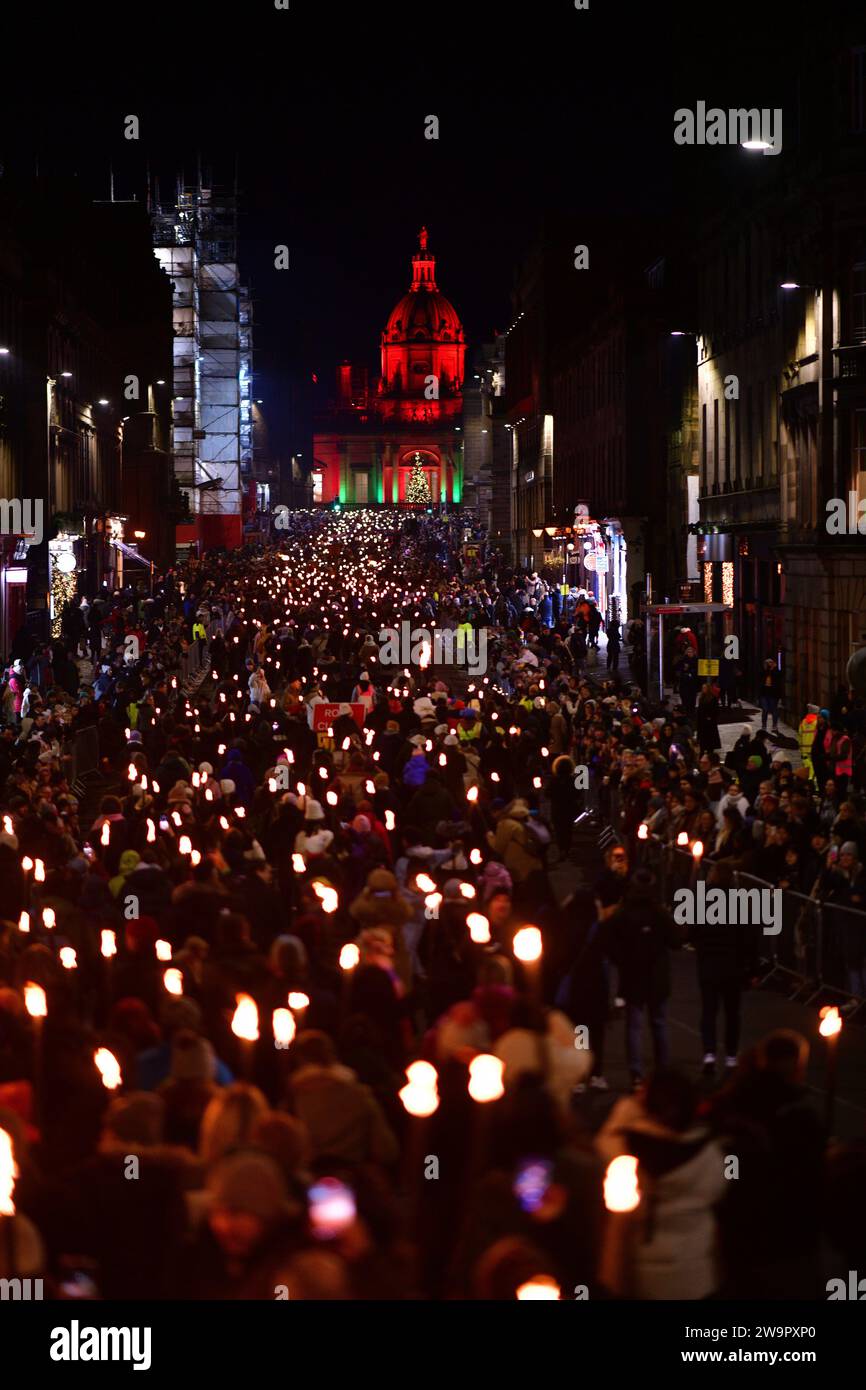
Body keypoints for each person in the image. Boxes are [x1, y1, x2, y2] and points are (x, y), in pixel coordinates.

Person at [601, 869, 685, 1087]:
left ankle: (636, 1074)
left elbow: (608, 941)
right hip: (657, 977)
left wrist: (621, 961)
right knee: (658, 1024)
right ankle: (662, 1070)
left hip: (632, 976)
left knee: (634, 1027)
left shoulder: (623, 913)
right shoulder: (659, 913)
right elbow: (676, 941)